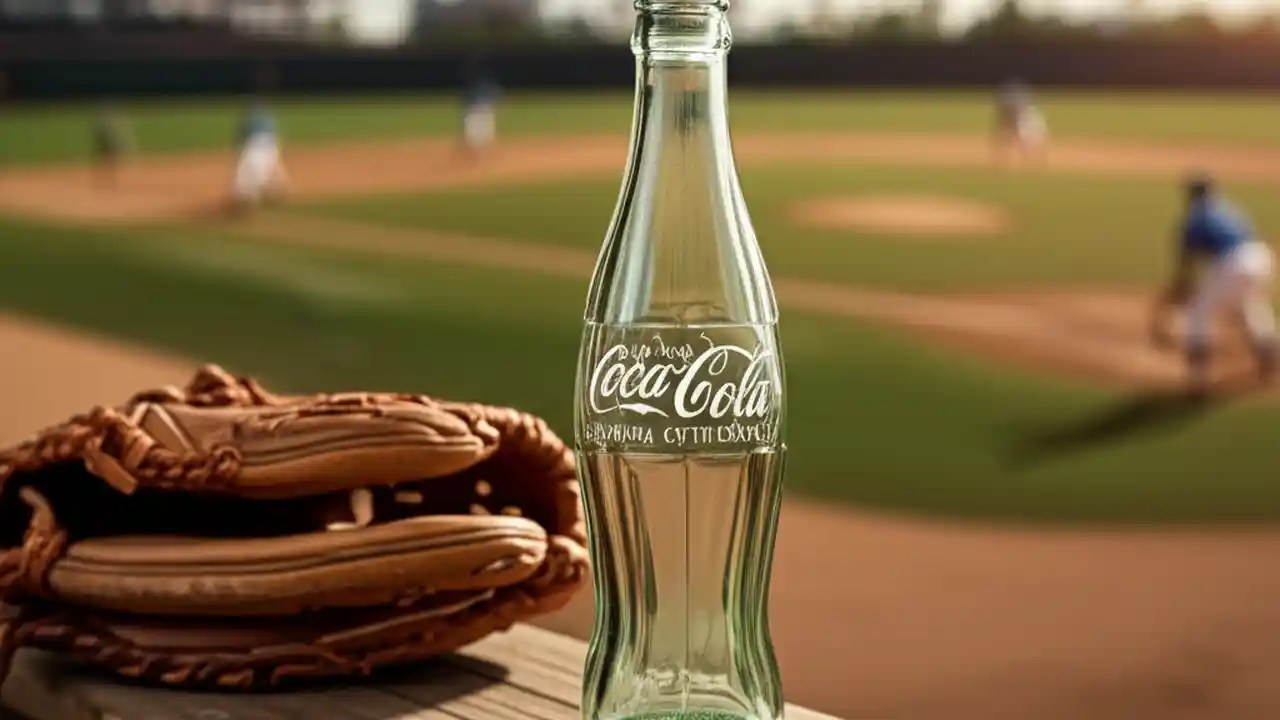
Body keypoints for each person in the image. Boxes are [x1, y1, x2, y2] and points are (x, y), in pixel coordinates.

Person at [1151, 174, 1277, 394]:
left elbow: (1186, 263)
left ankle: (1198, 380)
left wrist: (1178, 288)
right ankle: (1269, 357)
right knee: (1247, 305)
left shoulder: (1194, 218)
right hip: (1262, 259)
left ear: (1191, 194)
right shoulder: (1229, 209)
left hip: (1234, 264)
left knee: (1196, 313)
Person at [230, 101, 290, 212]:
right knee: (270, 169)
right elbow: (275, 137)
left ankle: (248, 198)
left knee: (247, 172)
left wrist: (238, 148)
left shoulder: (248, 120)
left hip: (255, 147)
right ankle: (276, 188)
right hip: (271, 147)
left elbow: (240, 138)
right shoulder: (268, 120)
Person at [993, 79, 1048, 165]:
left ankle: (1027, 154)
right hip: (1019, 119)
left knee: (1022, 135)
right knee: (1015, 134)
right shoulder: (1009, 108)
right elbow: (1003, 120)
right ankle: (1022, 154)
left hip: (1024, 119)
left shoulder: (1027, 112)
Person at [91, 104, 133, 188]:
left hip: (105, 138)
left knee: (108, 157)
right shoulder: (105, 120)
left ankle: (109, 178)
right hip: (105, 139)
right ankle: (104, 177)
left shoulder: (105, 119)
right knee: (107, 156)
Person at [460, 73, 501, 158]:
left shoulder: (487, 89)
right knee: (474, 137)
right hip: (476, 113)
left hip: (483, 113)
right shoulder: (476, 89)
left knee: (483, 137)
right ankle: (478, 153)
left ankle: (481, 153)